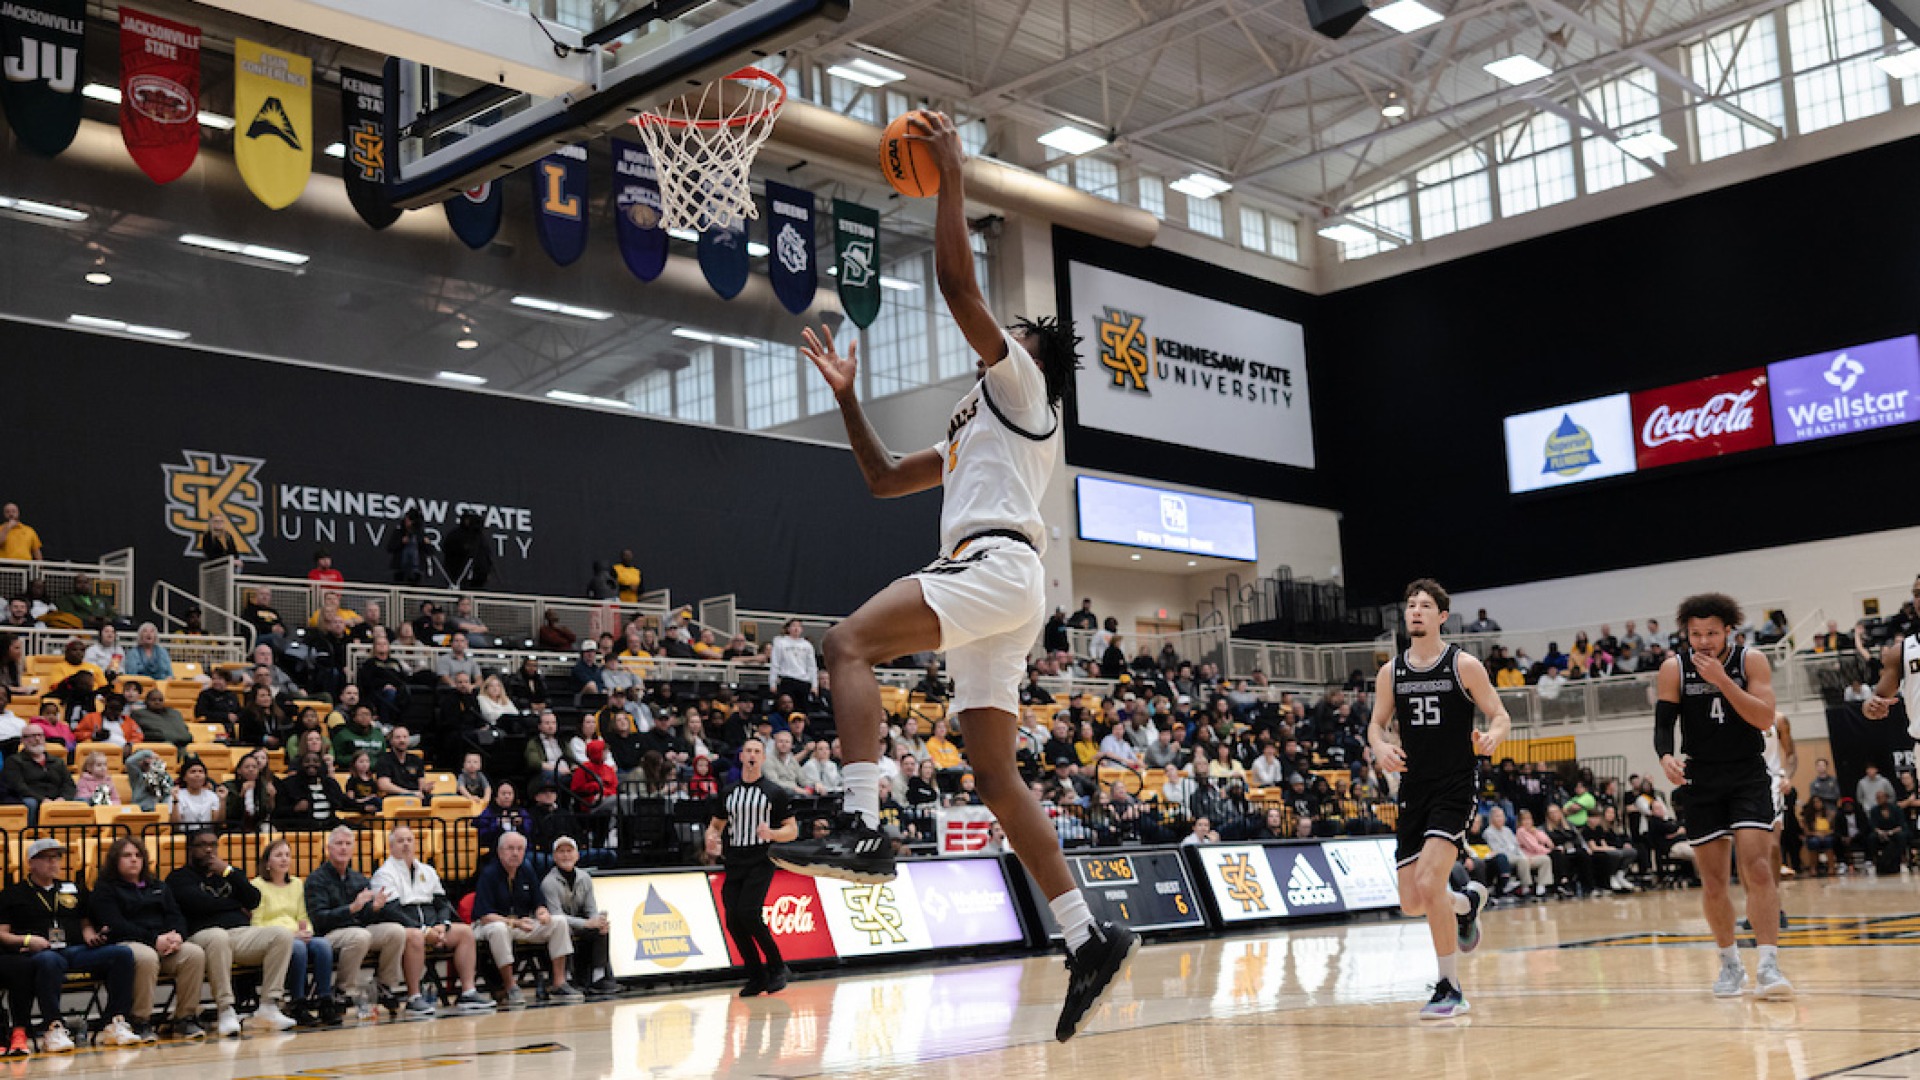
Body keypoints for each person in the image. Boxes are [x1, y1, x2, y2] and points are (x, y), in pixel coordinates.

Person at [767, 111, 1131, 1043]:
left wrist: (954, 173)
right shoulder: (979, 422)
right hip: (1006, 590)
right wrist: (850, 401)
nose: (993, 338)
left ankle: (860, 820)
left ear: (1031, 361)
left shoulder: (1021, 387)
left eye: (1009, 335)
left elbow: (953, 279)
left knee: (845, 643)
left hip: (996, 566)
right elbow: (886, 478)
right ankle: (1087, 935)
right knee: (995, 776)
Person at [1366, 579, 1509, 1020]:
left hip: (1455, 783)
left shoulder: (1463, 665)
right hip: (1414, 788)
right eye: (1411, 605)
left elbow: (1500, 714)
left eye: (1425, 606)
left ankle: (1450, 987)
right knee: (1412, 901)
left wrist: (1492, 737)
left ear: (1441, 617)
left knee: (1430, 884)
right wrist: (1381, 747)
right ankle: (1466, 905)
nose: (1416, 611)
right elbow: (1376, 725)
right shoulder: (1391, 672)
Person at [1654, 592, 1790, 999]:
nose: (1704, 641)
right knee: (1713, 882)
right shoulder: (1673, 668)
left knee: (1759, 868)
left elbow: (1764, 718)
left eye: (1712, 632)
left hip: (1747, 774)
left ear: (1729, 630)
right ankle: (1730, 964)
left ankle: (1768, 963)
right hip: (1702, 778)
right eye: (1696, 634)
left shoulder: (1751, 661)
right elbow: (1663, 725)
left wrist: (1723, 680)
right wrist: (1664, 756)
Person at [0, 838, 141, 1050]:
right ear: (31, 863)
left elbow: (85, 921)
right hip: (38, 952)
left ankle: (115, 1021)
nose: (53, 863)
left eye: (57, 857)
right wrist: (27, 940)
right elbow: (2, 934)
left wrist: (90, 934)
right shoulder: (14, 893)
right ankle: (53, 1027)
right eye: (47, 858)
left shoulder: (72, 888)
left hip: (74, 949)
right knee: (49, 961)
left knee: (122, 954)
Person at [165, 830, 298, 1035]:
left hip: (239, 934)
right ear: (190, 850)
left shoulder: (228, 874)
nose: (209, 850)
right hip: (202, 936)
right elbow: (198, 905)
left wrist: (228, 871)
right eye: (202, 845)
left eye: (213, 845)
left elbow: (253, 899)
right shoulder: (178, 878)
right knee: (218, 936)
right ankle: (225, 1009)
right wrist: (234, 904)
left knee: (281, 935)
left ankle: (269, 1006)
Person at [92, 837, 210, 1039]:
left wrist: (177, 936)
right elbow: (116, 925)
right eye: (127, 855)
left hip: (162, 944)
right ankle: (140, 1020)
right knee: (146, 957)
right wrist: (154, 939)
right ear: (115, 860)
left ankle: (184, 1018)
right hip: (127, 943)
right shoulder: (105, 888)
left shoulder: (158, 885)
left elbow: (176, 915)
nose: (134, 860)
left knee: (194, 954)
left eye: (138, 855)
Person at [371, 825, 494, 1015]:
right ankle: (414, 997)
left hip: (432, 925)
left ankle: (468, 992)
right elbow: (392, 911)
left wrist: (442, 926)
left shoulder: (428, 870)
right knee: (415, 937)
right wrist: (424, 930)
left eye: (409, 840)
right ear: (391, 847)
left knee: (465, 932)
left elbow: (443, 903)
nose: (405, 844)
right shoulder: (384, 874)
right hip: (405, 927)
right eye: (400, 841)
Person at [708, 740, 796, 997]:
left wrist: (772, 833)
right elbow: (716, 825)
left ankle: (778, 967)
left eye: (757, 751)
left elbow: (792, 830)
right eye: (748, 751)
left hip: (761, 858)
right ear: (741, 755)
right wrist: (710, 839)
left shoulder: (775, 792)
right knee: (733, 920)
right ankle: (756, 976)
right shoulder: (729, 791)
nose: (752, 755)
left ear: (763, 758)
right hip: (734, 860)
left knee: (749, 912)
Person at [306, 826, 415, 1016]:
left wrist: (374, 908)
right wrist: (351, 909)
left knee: (396, 931)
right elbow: (319, 919)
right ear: (328, 849)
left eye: (348, 844)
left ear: (353, 849)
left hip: (358, 932)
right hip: (328, 935)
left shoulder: (358, 879)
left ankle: (384, 985)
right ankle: (343, 990)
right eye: (339, 844)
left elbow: (365, 919)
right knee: (360, 935)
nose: (343, 848)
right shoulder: (316, 879)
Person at [471, 832, 582, 1007]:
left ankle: (559, 983)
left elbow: (538, 902)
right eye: (510, 848)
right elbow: (485, 915)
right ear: (500, 852)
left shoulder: (527, 869)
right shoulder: (489, 873)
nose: (515, 853)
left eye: (520, 849)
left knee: (559, 921)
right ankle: (510, 986)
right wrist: (514, 923)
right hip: (492, 925)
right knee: (499, 929)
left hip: (524, 924)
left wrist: (542, 913)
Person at [252, 838, 345, 1027]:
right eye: (279, 855)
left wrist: (307, 932)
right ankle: (297, 1002)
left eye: (287, 855)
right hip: (275, 938)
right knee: (298, 948)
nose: (284, 859)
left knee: (323, 945)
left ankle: (324, 1001)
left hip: (297, 933)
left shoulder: (296, 884)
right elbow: (257, 924)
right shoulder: (258, 885)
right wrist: (291, 935)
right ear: (267, 862)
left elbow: (303, 916)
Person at [540, 836, 621, 996]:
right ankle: (567, 977)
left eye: (569, 851)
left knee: (602, 928)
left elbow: (591, 909)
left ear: (577, 855)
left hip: (578, 922)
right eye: (561, 852)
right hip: (558, 926)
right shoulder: (548, 883)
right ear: (554, 857)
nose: (565, 855)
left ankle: (599, 977)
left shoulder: (585, 878)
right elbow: (556, 915)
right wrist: (586, 924)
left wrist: (597, 920)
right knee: (563, 929)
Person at [2, 727, 72, 823]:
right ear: (23, 740)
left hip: (57, 799)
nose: (37, 739)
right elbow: (19, 786)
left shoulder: (57, 761)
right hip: (31, 798)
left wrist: (63, 798)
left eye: (40, 735)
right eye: (33, 736)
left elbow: (69, 784)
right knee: (30, 803)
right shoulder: (14, 761)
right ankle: (30, 833)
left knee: (81, 801)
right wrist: (42, 799)